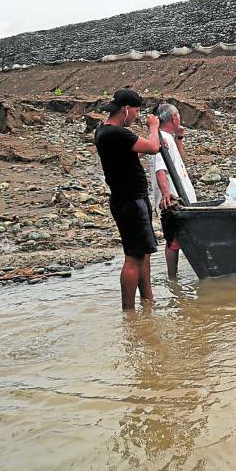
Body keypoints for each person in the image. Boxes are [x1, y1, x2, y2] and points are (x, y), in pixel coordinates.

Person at [94, 88, 162, 310]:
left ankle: (147, 302)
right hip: (131, 201)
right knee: (133, 257)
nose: (137, 116)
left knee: (142, 253)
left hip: (127, 199)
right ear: (126, 109)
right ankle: (129, 312)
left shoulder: (103, 131)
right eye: (136, 111)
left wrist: (153, 144)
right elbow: (151, 147)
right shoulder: (117, 133)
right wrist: (154, 128)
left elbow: (134, 152)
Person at [150, 103, 197, 280]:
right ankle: (172, 279)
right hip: (174, 200)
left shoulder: (167, 137)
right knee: (174, 241)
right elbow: (160, 170)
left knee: (176, 240)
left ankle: (174, 278)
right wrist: (166, 194)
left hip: (178, 198)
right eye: (178, 115)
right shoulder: (162, 138)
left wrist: (179, 138)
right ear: (173, 118)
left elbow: (180, 159)